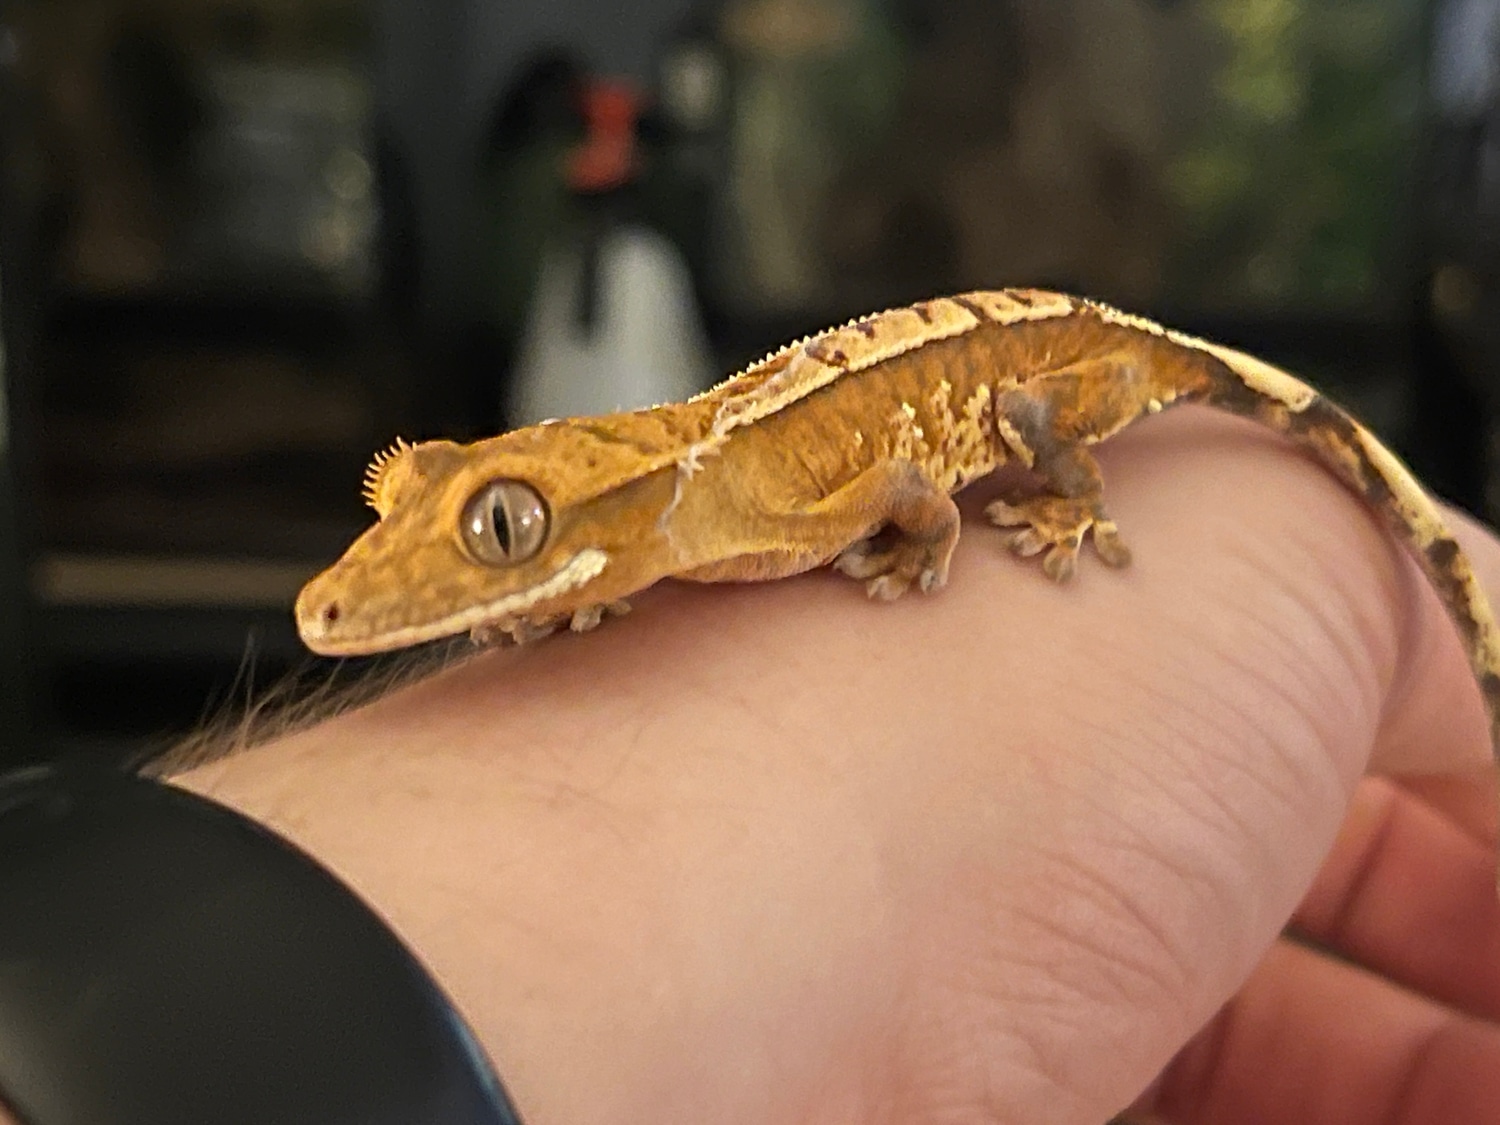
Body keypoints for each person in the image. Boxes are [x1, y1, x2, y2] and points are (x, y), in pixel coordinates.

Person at [28, 407, 1498, 1124]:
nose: (359, 581)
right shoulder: (678, 531)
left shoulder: (758, 506)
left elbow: (914, 494)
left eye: (500, 531)